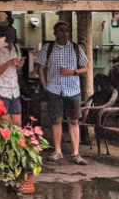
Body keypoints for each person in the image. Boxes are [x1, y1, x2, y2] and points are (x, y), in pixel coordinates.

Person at [35, 21, 90, 165]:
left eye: (66, 30)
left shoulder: (76, 48)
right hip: (54, 90)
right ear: (55, 33)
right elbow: (40, 69)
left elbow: (86, 68)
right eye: (60, 30)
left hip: (72, 89)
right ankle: (58, 151)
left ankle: (75, 153)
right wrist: (45, 86)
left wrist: (72, 72)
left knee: (74, 120)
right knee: (56, 120)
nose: (64, 33)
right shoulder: (48, 48)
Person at [0, 25, 23, 127]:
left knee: (17, 122)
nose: (9, 43)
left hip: (14, 90)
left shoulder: (16, 48)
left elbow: (16, 70)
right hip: (0, 90)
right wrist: (9, 63)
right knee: (3, 122)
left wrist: (19, 65)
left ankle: (17, 142)